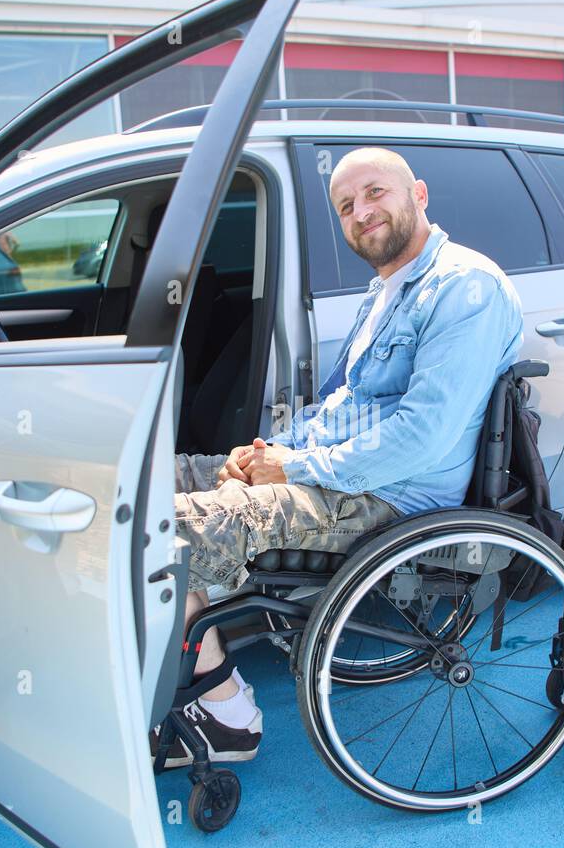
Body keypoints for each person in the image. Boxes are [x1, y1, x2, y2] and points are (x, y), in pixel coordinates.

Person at [152, 147, 524, 766]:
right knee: (139, 484)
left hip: (391, 500)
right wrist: (266, 452)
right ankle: (185, 640)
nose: (361, 212)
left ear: (420, 195)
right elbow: (341, 407)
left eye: (375, 193)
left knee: (164, 531)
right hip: (336, 476)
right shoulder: (385, 293)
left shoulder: (465, 288)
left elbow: (421, 435)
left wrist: (293, 468)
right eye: (346, 206)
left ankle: (226, 716)